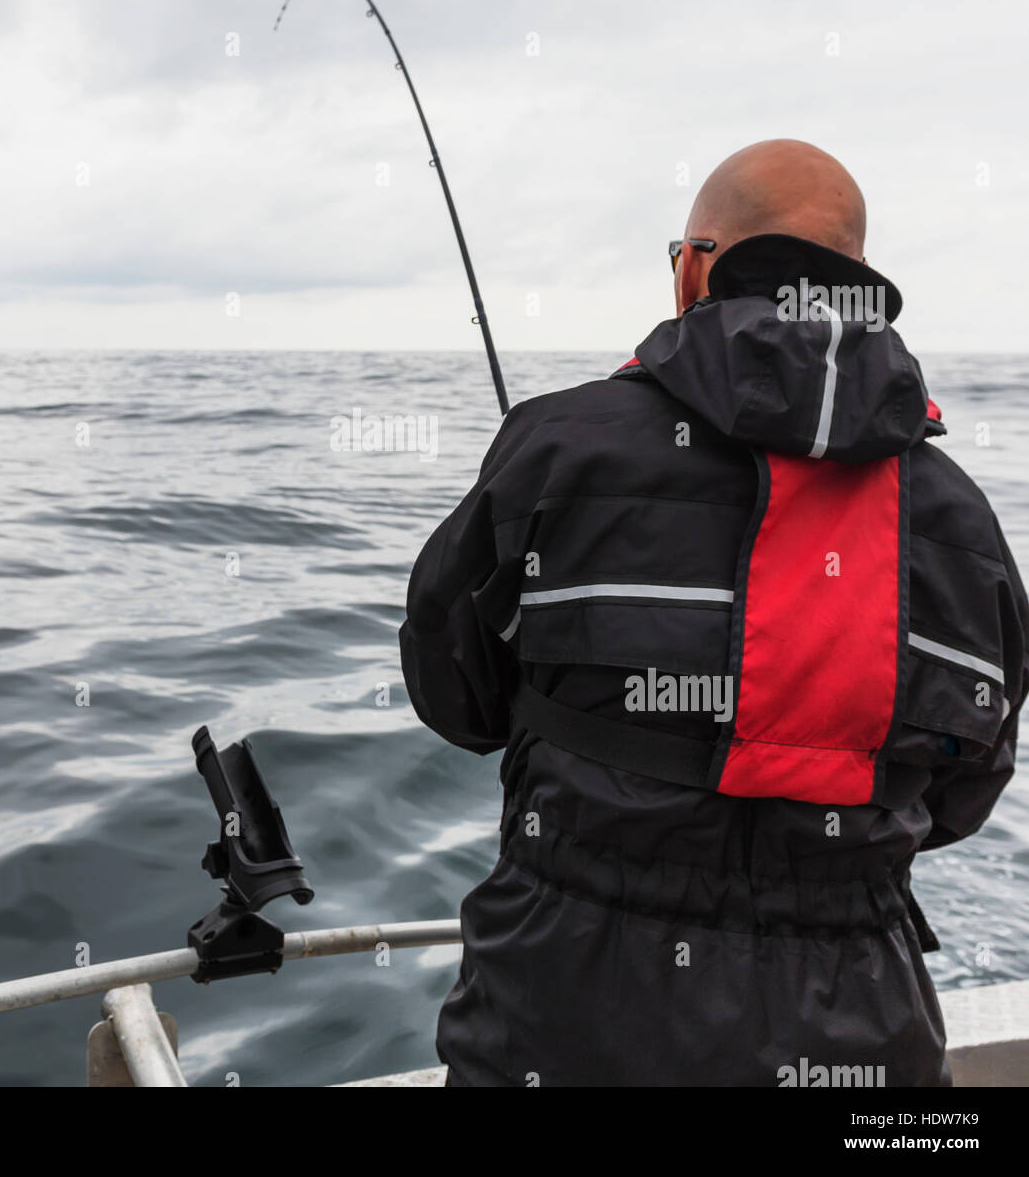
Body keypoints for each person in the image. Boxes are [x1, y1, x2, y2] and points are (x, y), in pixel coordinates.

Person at [399, 139, 1028, 1087]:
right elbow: (957, 800)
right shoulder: (966, 526)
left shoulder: (555, 446)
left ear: (695, 267)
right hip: (867, 1030)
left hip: (562, 1014)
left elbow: (454, 699)